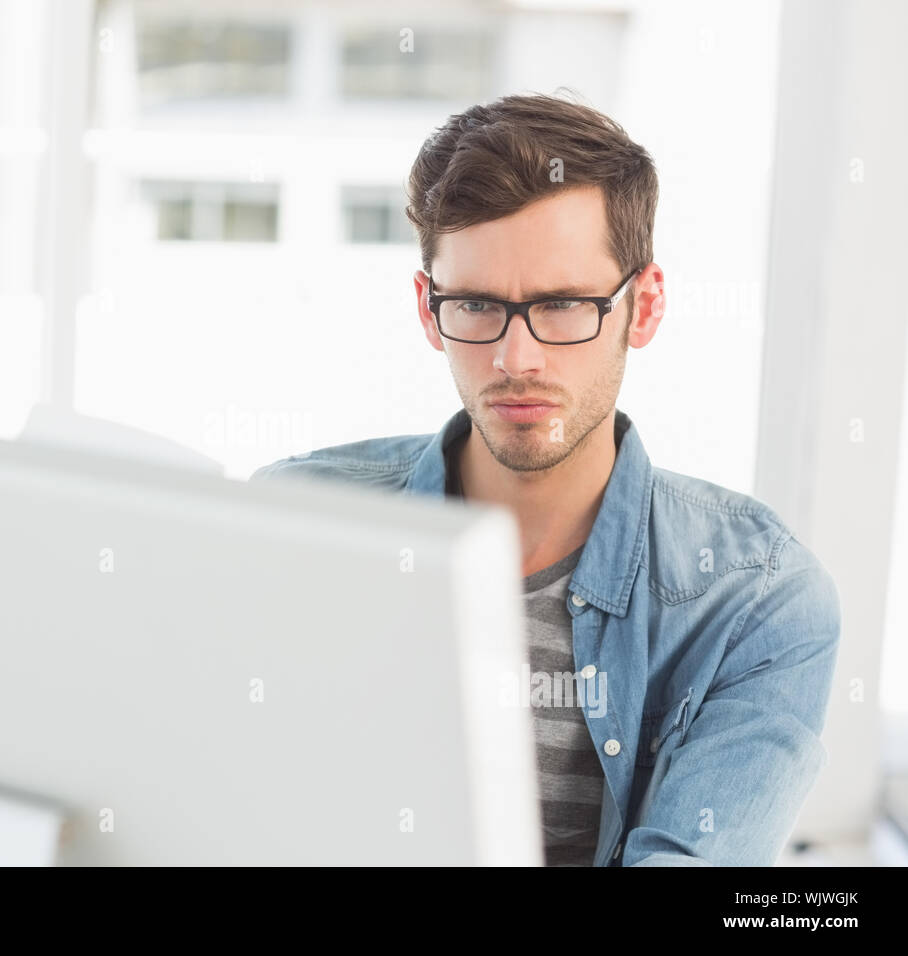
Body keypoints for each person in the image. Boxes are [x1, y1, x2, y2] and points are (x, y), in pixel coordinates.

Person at [249, 93, 840, 867]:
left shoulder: (755, 598)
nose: (516, 358)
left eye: (562, 305)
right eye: (477, 305)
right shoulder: (293, 522)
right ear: (429, 311)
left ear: (645, 306)